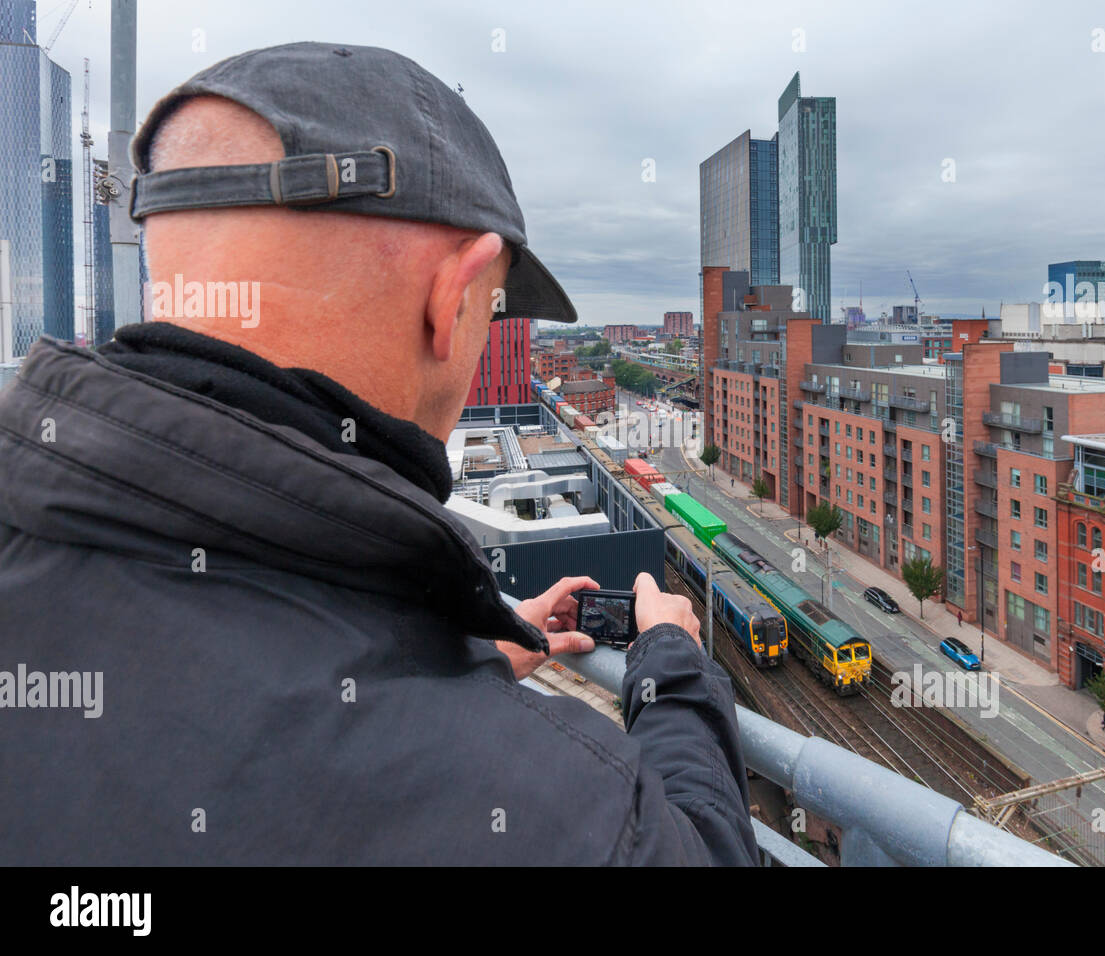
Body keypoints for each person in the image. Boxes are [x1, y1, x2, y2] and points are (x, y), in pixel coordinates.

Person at [0, 43, 758, 866]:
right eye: (494, 314)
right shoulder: (539, 814)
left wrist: (451, 661)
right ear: (455, 295)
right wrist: (672, 668)